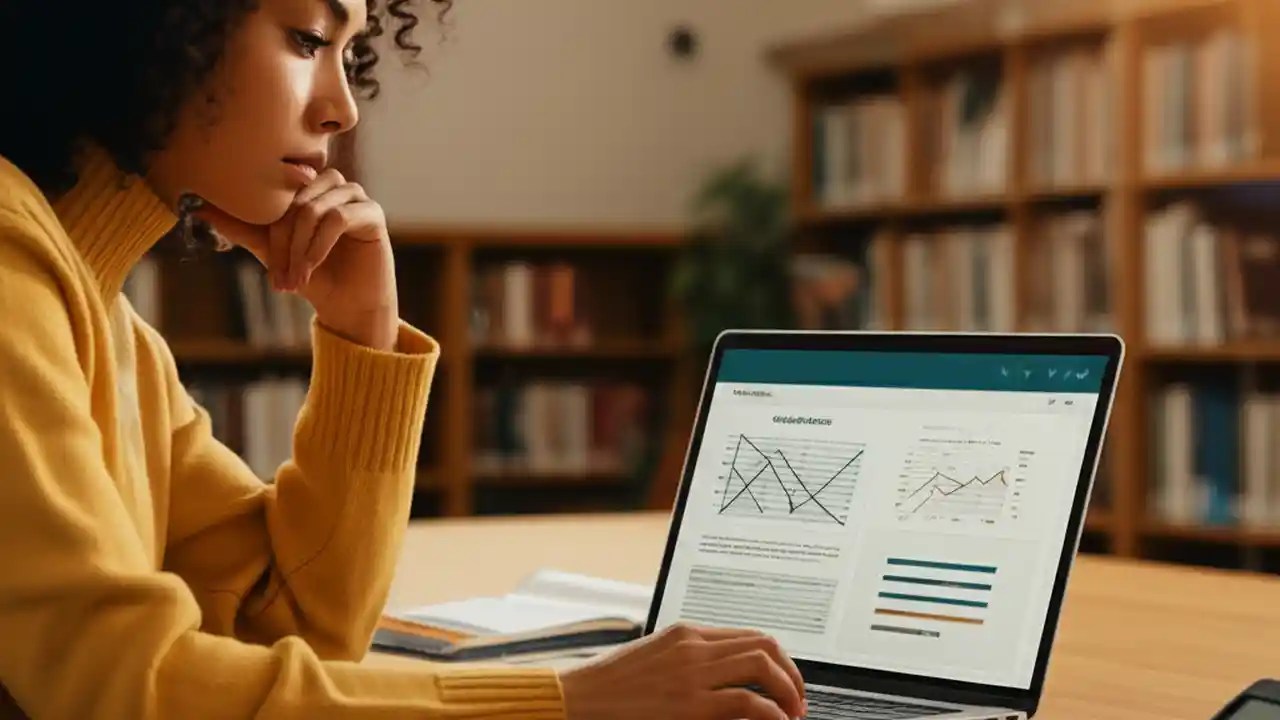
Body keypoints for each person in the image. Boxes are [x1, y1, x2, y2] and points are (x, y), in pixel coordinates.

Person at [0, 1, 808, 719]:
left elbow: (295, 628)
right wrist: (567, 703)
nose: (341, 109)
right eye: (308, 39)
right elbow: (124, 688)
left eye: (349, 55)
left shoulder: (108, 323)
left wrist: (365, 335)